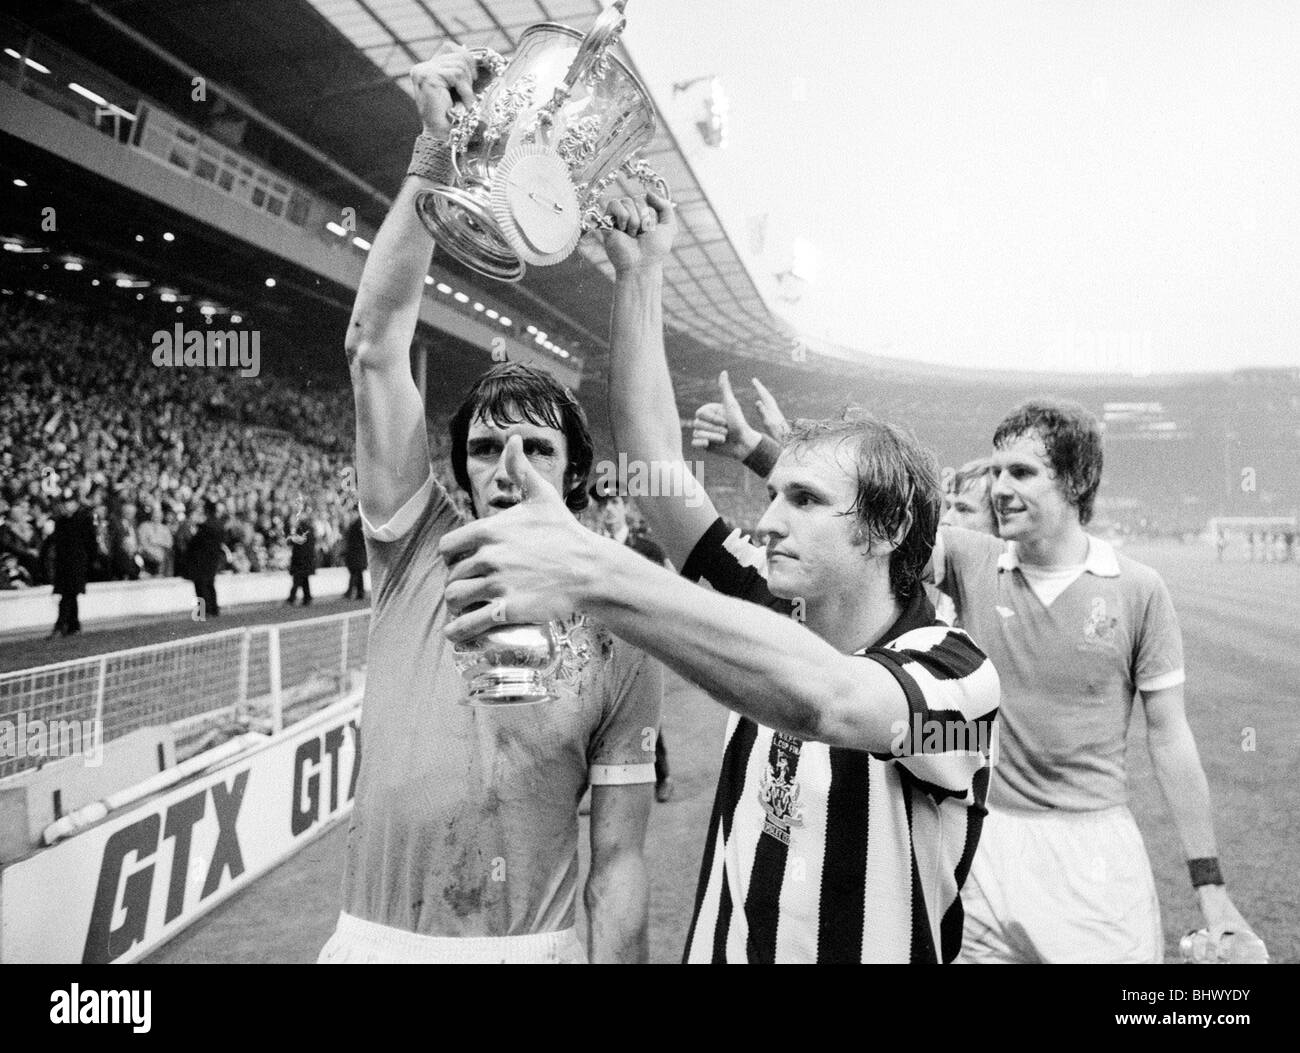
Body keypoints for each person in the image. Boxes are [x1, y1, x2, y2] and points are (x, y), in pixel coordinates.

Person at [438, 192, 1000, 963]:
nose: (768, 522)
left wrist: (591, 570)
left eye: (804, 500)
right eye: (775, 495)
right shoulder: (769, 606)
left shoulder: (959, 682)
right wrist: (641, 275)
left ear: (889, 528)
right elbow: (655, 470)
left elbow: (830, 701)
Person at [700, 385, 1257, 962]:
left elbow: (1169, 737)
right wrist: (758, 450)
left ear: (1076, 480)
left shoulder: (1139, 589)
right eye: (996, 472)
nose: (1000, 489)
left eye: (1021, 472)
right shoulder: (972, 559)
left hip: (1088, 851)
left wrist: (1209, 883)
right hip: (980, 846)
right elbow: (871, 523)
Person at [315, 44, 661, 965]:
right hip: (373, 946)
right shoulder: (416, 549)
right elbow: (374, 347)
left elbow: (619, 860)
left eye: (537, 447)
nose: (507, 466)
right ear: (460, 470)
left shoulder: (623, 627)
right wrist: (434, 159)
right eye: (481, 447)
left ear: (578, 476)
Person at [588, 480, 673, 803]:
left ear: (625, 506)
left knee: (648, 714)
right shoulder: (593, 548)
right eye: (603, 504)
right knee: (598, 714)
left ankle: (662, 775)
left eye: (614, 502)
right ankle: (601, 785)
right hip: (602, 645)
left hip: (640, 644)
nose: (609, 509)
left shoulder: (647, 549)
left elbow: (668, 591)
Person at [49, 489, 97, 636]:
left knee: (68, 595)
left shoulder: (83, 519)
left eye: (70, 503)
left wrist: (90, 562)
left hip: (77, 563)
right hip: (63, 564)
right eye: (65, 503)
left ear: (76, 504)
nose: (66, 506)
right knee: (70, 594)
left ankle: (61, 624)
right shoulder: (61, 521)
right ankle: (73, 625)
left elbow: (91, 543)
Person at [185, 499, 225, 619]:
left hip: (202, 559)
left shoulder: (206, 526)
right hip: (213, 559)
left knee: (201, 585)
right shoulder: (218, 524)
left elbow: (195, 542)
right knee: (210, 584)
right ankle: (213, 609)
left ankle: (204, 611)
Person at [286, 504, 316, 606]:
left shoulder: (301, 529)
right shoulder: (309, 528)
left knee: (297, 580)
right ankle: (307, 598)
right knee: (304, 580)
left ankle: (291, 599)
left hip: (301, 561)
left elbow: (299, 547)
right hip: (306, 561)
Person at [343, 512, 367, 600]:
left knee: (355, 573)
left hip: (357, 553)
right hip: (357, 553)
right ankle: (359, 593)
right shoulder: (357, 523)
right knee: (357, 574)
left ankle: (351, 592)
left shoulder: (357, 524)